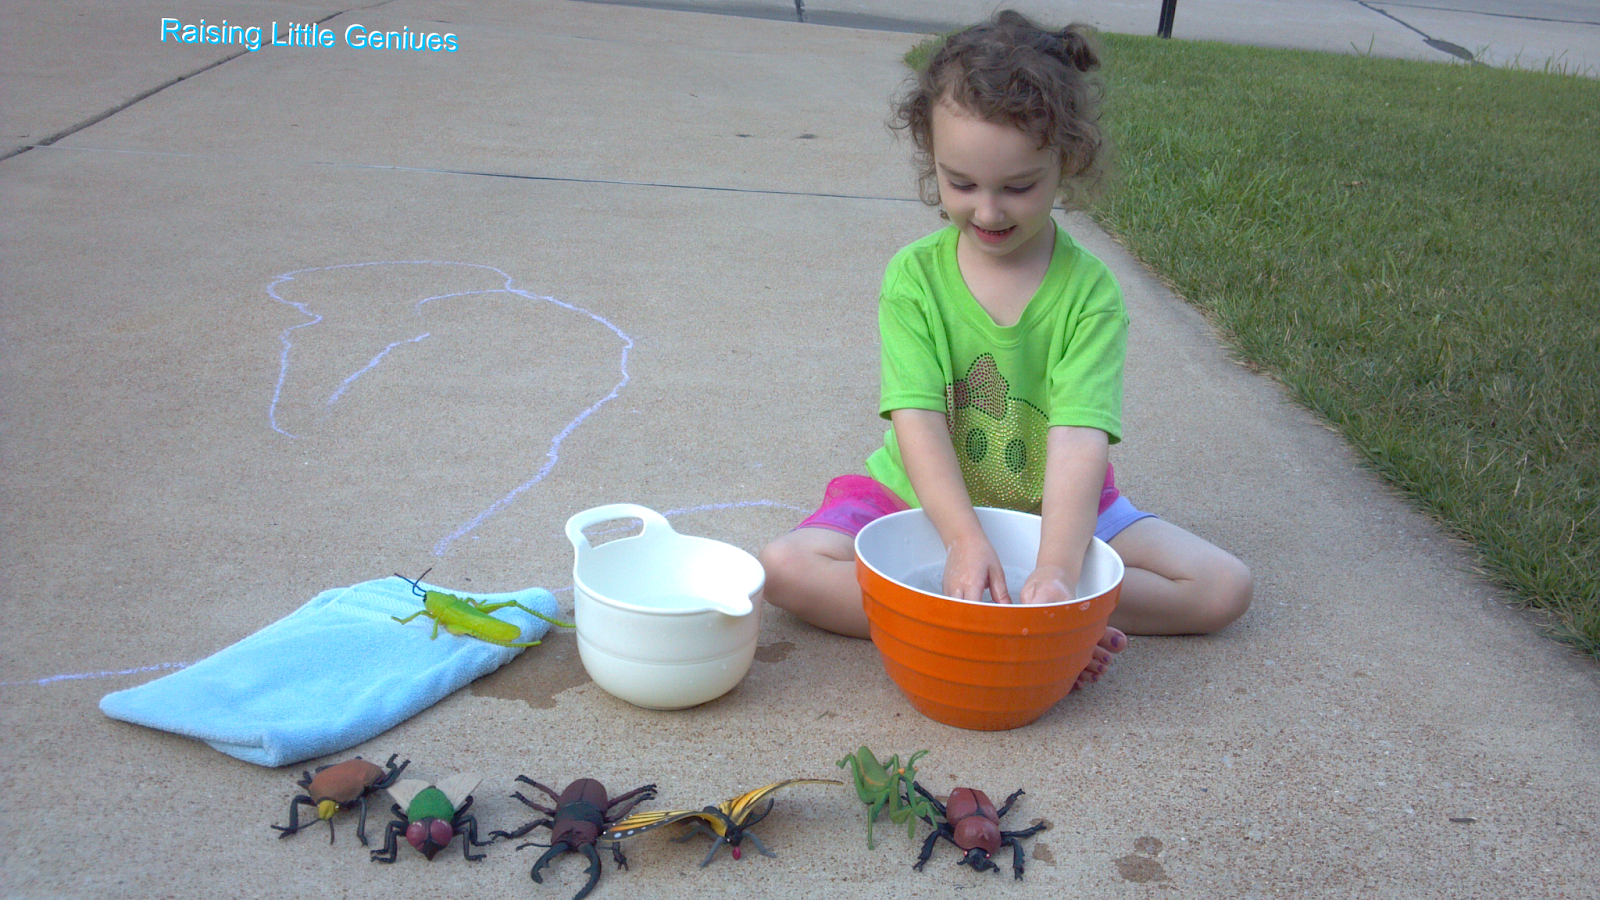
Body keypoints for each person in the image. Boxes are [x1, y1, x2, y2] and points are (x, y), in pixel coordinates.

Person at [759, 11, 1252, 689]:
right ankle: (1015, 625)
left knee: (1222, 587)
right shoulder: (915, 279)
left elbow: (1080, 441)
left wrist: (1054, 572)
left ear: (1066, 162)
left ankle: (1022, 615)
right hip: (921, 500)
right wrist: (963, 541)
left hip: (1057, 506)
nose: (988, 212)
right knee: (786, 568)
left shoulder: (1089, 292)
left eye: (1018, 187)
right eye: (961, 183)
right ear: (930, 155)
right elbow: (918, 423)